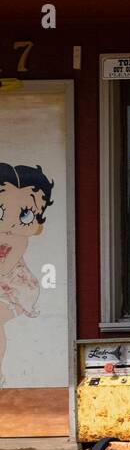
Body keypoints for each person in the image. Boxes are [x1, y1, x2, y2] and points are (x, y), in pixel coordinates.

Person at [0, 162, 55, 386]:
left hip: (16, 288)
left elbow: (6, 267)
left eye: (25, 215)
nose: (12, 223)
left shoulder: (18, 240)